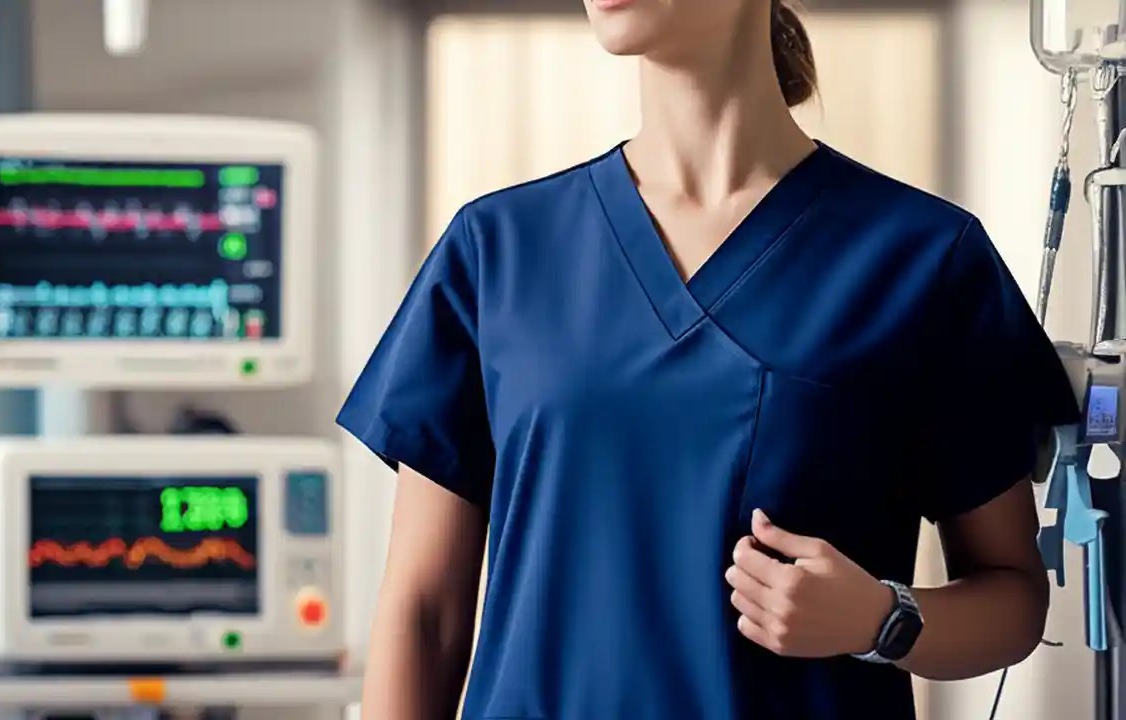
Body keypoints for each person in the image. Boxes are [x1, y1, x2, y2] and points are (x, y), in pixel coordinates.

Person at [336, 0, 1081, 718]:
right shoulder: (496, 251)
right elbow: (423, 614)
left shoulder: (922, 261)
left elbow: (1013, 596)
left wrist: (883, 619)